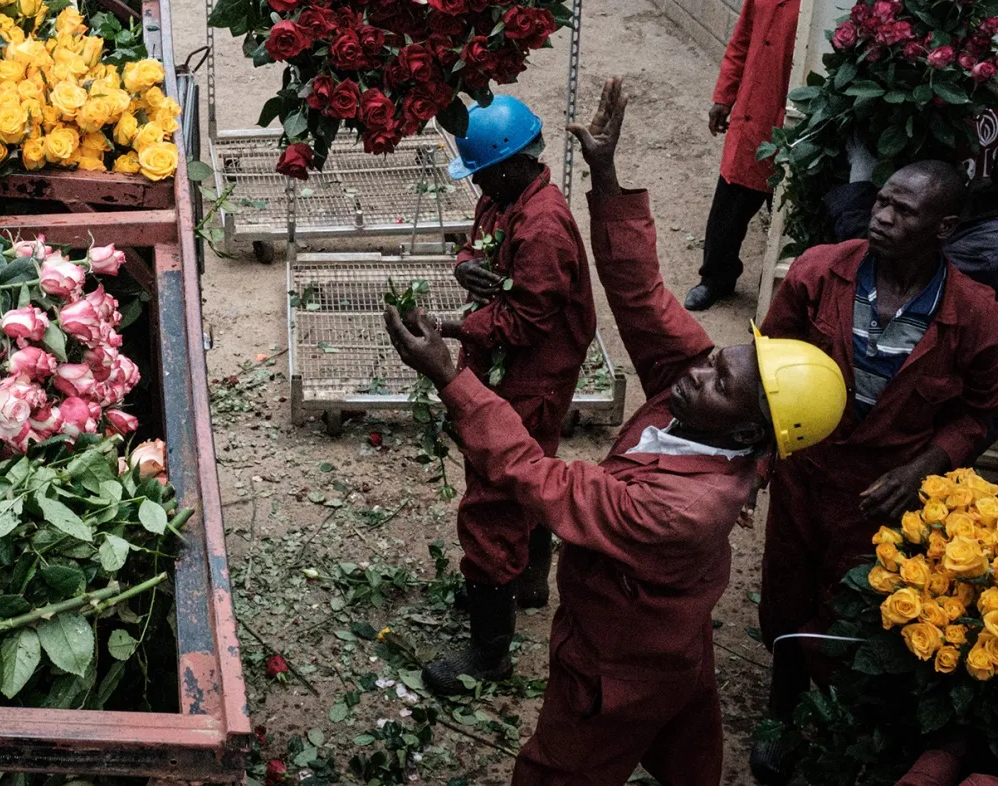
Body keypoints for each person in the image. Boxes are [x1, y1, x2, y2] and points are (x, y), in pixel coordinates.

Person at [386, 77, 846, 786]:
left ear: (757, 430)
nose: (697, 370)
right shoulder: (702, 399)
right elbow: (639, 295)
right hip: (674, 645)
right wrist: (605, 173)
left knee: (560, 769)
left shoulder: (683, 507)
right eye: (718, 358)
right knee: (689, 752)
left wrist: (449, 375)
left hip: (619, 662)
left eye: (720, 378)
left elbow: (541, 481)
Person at [750, 160, 998, 784]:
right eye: (882, 201)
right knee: (786, 594)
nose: (882, 216)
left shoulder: (974, 314)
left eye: (904, 211)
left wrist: (924, 467)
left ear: (944, 226)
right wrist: (759, 455)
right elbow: (767, 368)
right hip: (806, 473)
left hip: (883, 497)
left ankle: (838, 724)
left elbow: (980, 413)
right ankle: (781, 717)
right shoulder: (819, 271)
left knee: (857, 608)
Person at [421, 93, 596, 694]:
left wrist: (446, 332)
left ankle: (489, 652)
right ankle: (526, 581)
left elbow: (524, 322)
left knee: (495, 494)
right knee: (534, 471)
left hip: (533, 376)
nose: (478, 186)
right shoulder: (505, 198)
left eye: (482, 173)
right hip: (513, 367)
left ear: (513, 162)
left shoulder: (544, 227)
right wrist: (465, 265)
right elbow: (480, 247)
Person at [685, 0, 816, 311]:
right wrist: (723, 96)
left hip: (793, 118)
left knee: (790, 212)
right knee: (729, 205)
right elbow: (742, 36)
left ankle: (786, 300)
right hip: (750, 114)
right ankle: (717, 278)